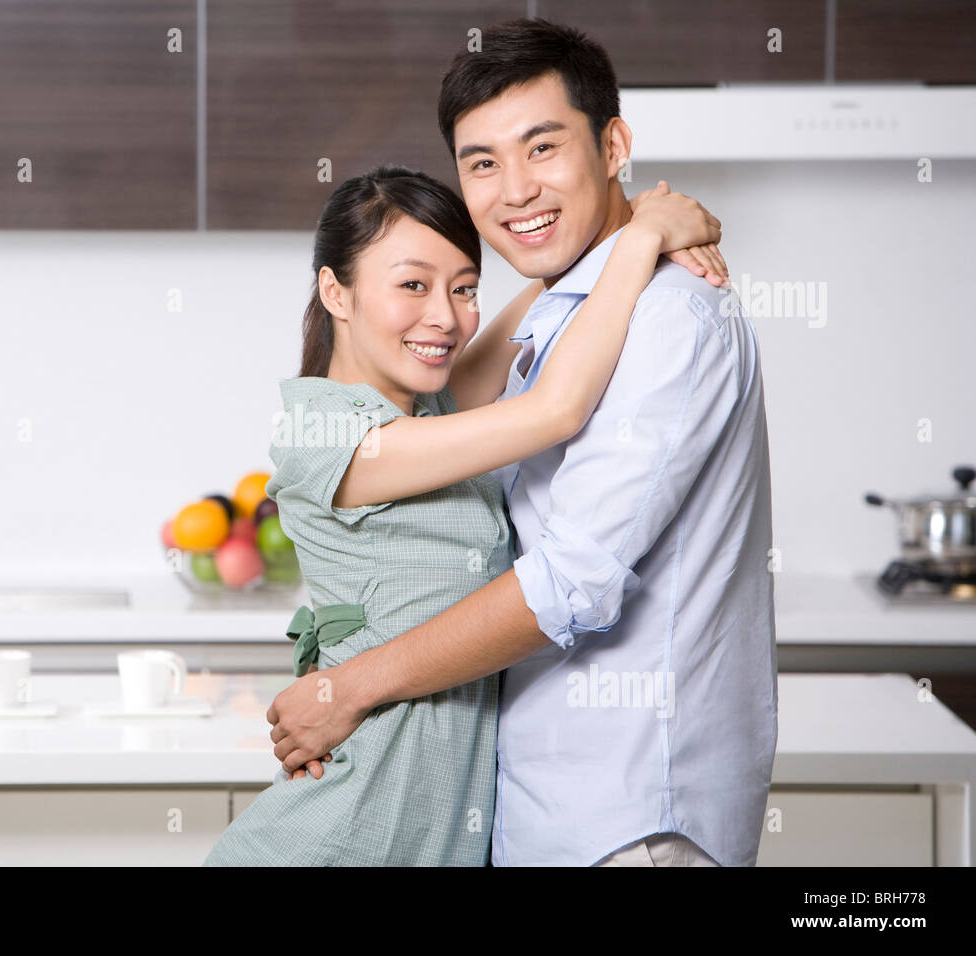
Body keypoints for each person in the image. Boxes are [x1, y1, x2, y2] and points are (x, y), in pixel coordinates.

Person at [265, 17, 777, 868]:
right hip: (529, 813)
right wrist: (639, 229)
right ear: (337, 292)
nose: (515, 190)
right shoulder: (364, 422)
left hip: (627, 820)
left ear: (613, 143)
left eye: (543, 148)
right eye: (483, 164)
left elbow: (573, 577)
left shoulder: (670, 320)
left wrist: (638, 232)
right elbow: (542, 380)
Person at [203, 158, 725, 865]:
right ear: (337, 291)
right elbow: (556, 409)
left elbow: (554, 280)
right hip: (338, 838)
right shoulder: (325, 433)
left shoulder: (432, 406)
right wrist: (638, 241)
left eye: (466, 288)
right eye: (412, 285)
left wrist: (633, 215)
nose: (446, 317)